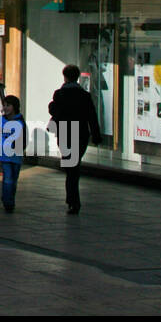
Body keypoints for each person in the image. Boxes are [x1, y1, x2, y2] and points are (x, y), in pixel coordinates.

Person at [49, 63, 102, 214]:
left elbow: (54, 110)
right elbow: (92, 116)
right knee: (75, 166)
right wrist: (96, 135)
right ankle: (73, 199)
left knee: (70, 167)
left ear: (65, 76)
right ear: (78, 77)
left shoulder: (59, 94)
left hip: (65, 133)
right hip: (81, 134)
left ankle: (72, 200)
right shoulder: (84, 95)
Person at [0, 95, 26, 212]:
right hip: (5, 155)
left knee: (14, 179)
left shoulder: (20, 120)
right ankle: (8, 202)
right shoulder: (1, 120)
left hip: (16, 155)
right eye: (4, 105)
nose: (5, 107)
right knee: (8, 178)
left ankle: (9, 198)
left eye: (8, 105)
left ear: (14, 107)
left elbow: (24, 138)